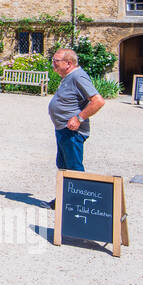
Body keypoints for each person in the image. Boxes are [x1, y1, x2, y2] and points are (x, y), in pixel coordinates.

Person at [47, 48, 106, 207]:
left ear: (68, 63)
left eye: (56, 61)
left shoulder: (78, 76)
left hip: (73, 131)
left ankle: (78, 205)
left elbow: (98, 101)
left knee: (73, 168)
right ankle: (63, 201)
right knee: (64, 166)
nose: (53, 64)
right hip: (63, 129)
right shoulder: (68, 76)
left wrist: (79, 118)